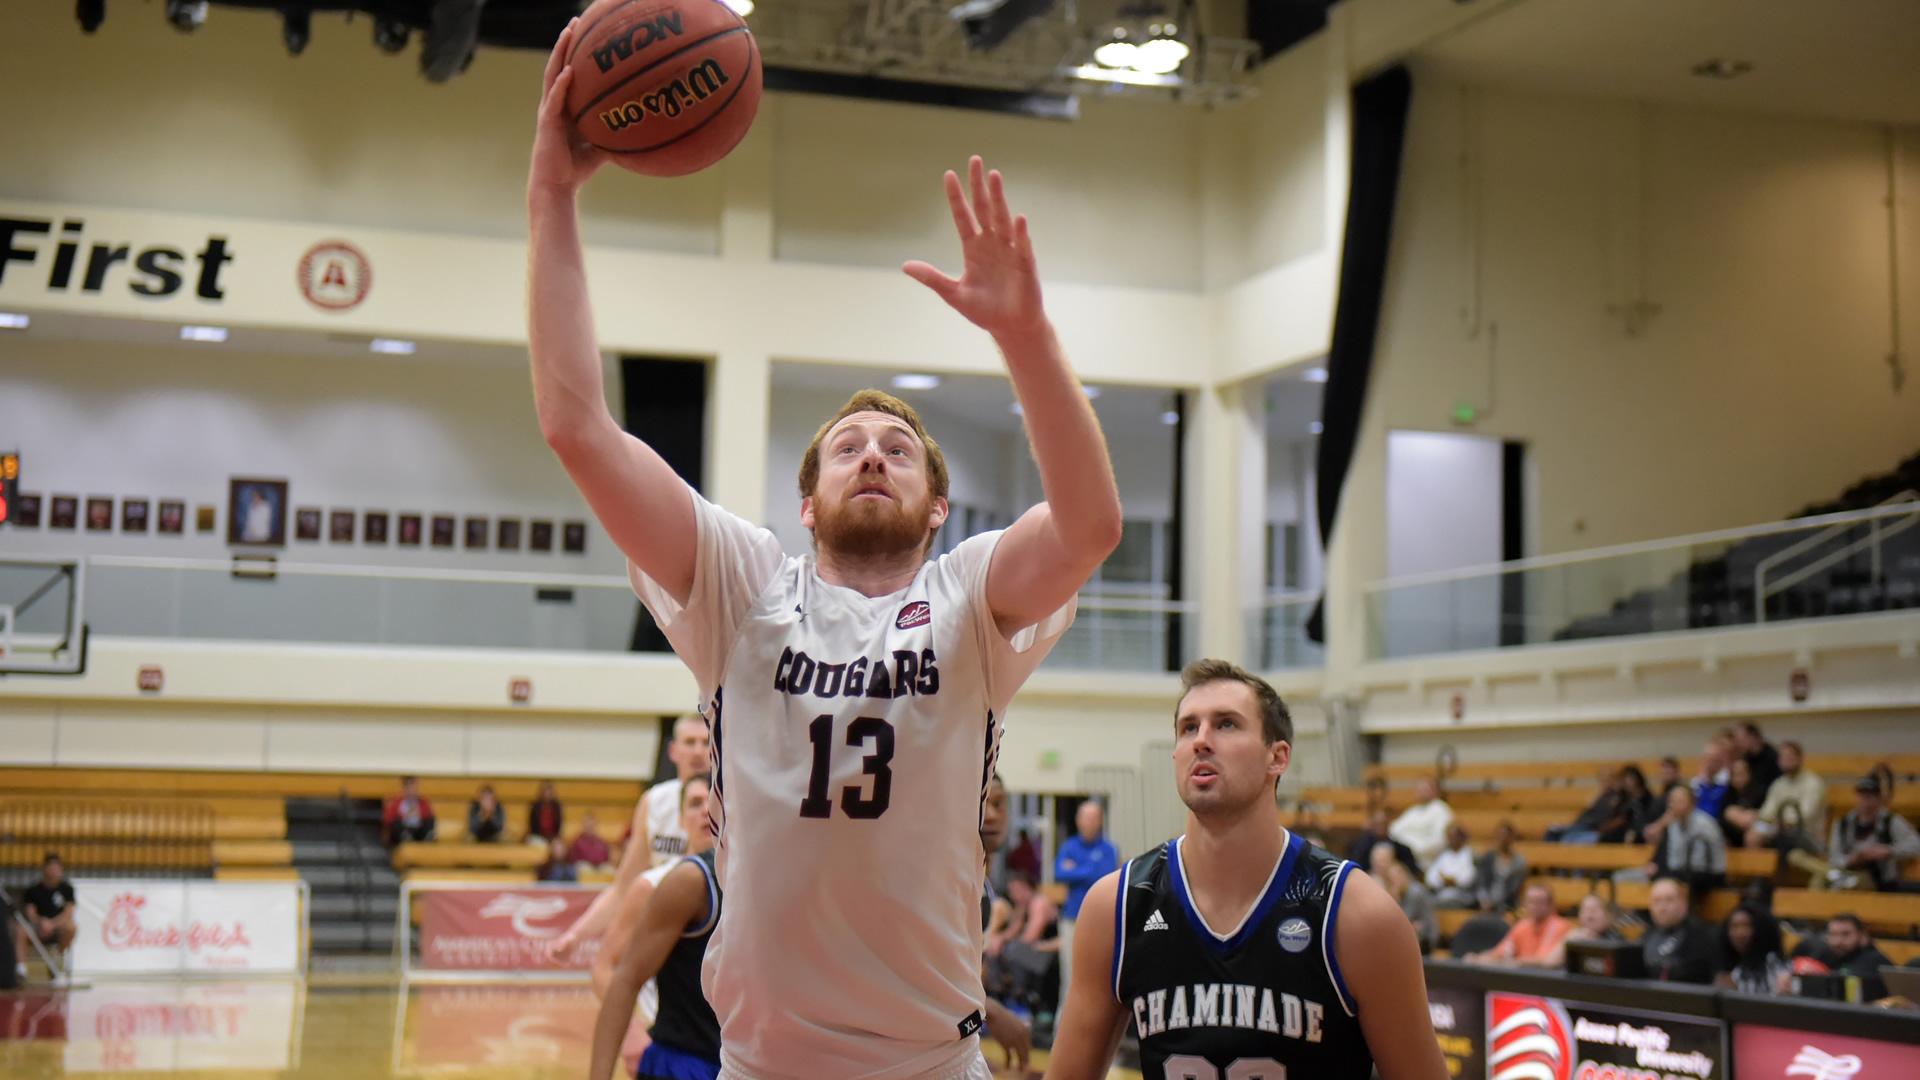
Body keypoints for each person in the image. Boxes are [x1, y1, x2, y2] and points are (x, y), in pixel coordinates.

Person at [532, 20, 1122, 1069]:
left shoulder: (970, 598)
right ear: (805, 505)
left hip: (932, 1060)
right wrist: (554, 198)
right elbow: (578, 427)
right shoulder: (741, 582)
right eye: (847, 446)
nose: (873, 456)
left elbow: (1090, 527)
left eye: (900, 448)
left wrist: (1024, 335)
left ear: (938, 506)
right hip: (761, 1060)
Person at [1043, 660, 1448, 1080]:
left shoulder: (1357, 914)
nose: (1201, 740)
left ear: (1278, 757)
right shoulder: (1119, 905)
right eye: (1188, 727)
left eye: (1226, 725)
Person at [588, 774, 721, 1080]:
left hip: (740, 1056)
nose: (704, 811)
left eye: (710, 801)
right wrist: (634, 1034)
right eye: (694, 803)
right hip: (680, 1055)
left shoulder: (754, 880)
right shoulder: (663, 884)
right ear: (679, 819)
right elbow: (612, 971)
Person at [548, 715, 711, 964]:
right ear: (673, 750)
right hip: (663, 937)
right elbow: (623, 888)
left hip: (711, 932)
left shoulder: (732, 802)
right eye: (690, 742)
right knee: (608, 973)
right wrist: (575, 936)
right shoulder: (654, 802)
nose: (698, 751)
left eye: (706, 742)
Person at [977, 774, 1033, 1075]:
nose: (993, 814)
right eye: (984, 802)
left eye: (999, 804)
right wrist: (989, 1009)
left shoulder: (985, 886)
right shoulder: (945, 878)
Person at [1791, 777, 1920, 891]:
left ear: (1879, 799)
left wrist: (1889, 851)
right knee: (1796, 857)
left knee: (1833, 880)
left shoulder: (1891, 822)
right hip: (1847, 868)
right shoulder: (1843, 824)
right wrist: (1851, 860)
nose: (1866, 800)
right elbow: (1834, 857)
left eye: (1871, 796)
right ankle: (1836, 877)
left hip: (1873, 877)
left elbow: (1915, 844)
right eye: (1863, 795)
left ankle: (1836, 877)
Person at [1053, 800, 1118, 1006]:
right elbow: (1058, 873)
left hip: (1101, 920)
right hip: (1072, 918)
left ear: (1100, 821)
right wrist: (1089, 869)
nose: (1088, 822)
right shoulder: (1069, 846)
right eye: (1084, 817)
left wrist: (1077, 869)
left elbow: (1107, 875)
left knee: (1100, 974)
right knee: (1069, 976)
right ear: (1078, 820)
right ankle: (1060, 1032)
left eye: (1093, 817)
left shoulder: (1109, 849)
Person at [1785, 914, 1892, 1000]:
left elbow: (1845, 981)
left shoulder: (1874, 959)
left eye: (1846, 934)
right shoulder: (1829, 953)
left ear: (1863, 935)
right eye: (1833, 934)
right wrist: (1790, 974)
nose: (1838, 941)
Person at [1646, 784, 1727, 896]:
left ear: (1691, 803)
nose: (1673, 805)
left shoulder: (1704, 825)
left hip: (1709, 873)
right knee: (1658, 876)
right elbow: (1674, 861)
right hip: (1686, 871)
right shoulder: (1673, 825)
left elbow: (1699, 864)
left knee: (1674, 880)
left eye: (1679, 801)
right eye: (1671, 801)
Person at [1744, 740, 1826, 852]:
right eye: (1783, 757)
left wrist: (1782, 824)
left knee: (1783, 838)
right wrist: (1754, 818)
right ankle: (1757, 869)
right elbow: (1768, 811)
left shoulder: (1813, 783)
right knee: (1753, 835)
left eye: (1790, 757)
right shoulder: (1779, 784)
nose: (1786, 761)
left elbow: (1805, 815)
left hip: (1806, 834)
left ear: (1799, 758)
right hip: (1778, 828)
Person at [1467, 883, 1570, 969]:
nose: (1535, 907)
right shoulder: (1522, 926)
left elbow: (1545, 960)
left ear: (1551, 904)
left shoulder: (1559, 926)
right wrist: (1478, 958)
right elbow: (1500, 952)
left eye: (1540, 902)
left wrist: (1516, 963)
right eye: (1531, 902)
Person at [1641, 877, 1715, 984]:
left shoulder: (1698, 938)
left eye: (1669, 900)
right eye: (1657, 901)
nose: (1662, 907)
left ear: (1683, 903)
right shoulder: (1646, 935)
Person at [12, 854, 76, 979]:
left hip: (57, 927)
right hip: (38, 927)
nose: (53, 871)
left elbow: (68, 913)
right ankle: (21, 969)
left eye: (56, 867)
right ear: (44, 869)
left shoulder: (67, 889)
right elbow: (30, 912)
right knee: (20, 930)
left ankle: (57, 957)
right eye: (50, 867)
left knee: (71, 927)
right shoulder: (33, 890)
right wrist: (42, 922)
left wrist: (52, 924)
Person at [1372, 848, 1438, 954]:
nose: (1395, 881)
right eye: (1391, 879)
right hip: (1402, 937)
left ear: (1404, 875)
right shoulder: (1392, 894)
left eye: (1397, 877)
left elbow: (1406, 919)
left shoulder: (1416, 893)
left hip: (1425, 938)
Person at [1713, 903, 1789, 995]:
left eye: (1746, 925)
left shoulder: (1774, 964)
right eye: (1734, 926)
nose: (1740, 933)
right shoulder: (1726, 968)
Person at [1388, 777, 1455, 868]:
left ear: (1435, 791)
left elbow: (1439, 841)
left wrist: (1415, 849)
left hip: (1421, 858)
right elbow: (1393, 830)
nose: (1420, 792)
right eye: (1419, 789)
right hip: (1402, 850)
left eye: (1425, 789)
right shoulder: (1414, 810)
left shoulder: (1441, 810)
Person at [1549, 767, 1623, 844]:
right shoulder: (1600, 795)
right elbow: (1589, 805)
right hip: (1581, 825)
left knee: (1566, 839)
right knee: (1552, 832)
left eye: (1609, 778)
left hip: (1591, 828)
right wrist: (1602, 791)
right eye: (1604, 779)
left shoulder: (1617, 797)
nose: (1606, 782)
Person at [1344, 806, 1418, 876]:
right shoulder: (1360, 847)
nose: (1381, 827)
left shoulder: (1402, 849)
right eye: (1378, 824)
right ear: (1372, 825)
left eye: (1384, 824)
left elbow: (1412, 869)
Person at [1474, 822, 1527, 912]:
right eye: (1501, 835)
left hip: (1508, 902)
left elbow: (1514, 887)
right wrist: (1484, 900)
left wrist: (1495, 902)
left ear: (1512, 838)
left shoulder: (1519, 862)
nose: (1503, 838)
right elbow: (1481, 882)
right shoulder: (1487, 858)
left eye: (1507, 835)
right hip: (1486, 901)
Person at [1716, 758, 1766, 848]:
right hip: (1733, 830)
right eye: (1735, 775)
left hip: (1754, 829)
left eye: (1741, 774)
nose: (1738, 779)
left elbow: (1763, 814)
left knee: (1752, 837)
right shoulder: (1728, 793)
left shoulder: (1759, 792)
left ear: (1749, 774)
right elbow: (1722, 816)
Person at [1426, 824, 1478, 909]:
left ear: (1462, 838)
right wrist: (1442, 881)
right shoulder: (1442, 855)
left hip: (1463, 894)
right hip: (1442, 892)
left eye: (1455, 837)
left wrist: (1455, 881)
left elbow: (1470, 877)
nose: (1453, 840)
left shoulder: (1471, 854)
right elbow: (1430, 877)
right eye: (1450, 837)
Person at [382, 777, 436, 847]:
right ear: (404, 789)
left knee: (430, 821)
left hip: (418, 829)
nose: (412, 791)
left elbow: (429, 816)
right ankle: (406, 838)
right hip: (404, 829)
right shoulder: (396, 803)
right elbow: (387, 819)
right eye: (409, 788)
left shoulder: (423, 803)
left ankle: (427, 839)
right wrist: (404, 816)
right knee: (397, 823)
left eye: (414, 788)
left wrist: (420, 815)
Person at [1733, 721, 1782, 795]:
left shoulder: (1772, 757)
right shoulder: (1745, 758)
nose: (1739, 744)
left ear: (1752, 736)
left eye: (1741, 739)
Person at [1690, 736, 1733, 820]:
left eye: (1714, 759)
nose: (1710, 763)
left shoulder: (1728, 783)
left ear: (1721, 761)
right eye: (1707, 759)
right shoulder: (1695, 784)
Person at [1617, 765, 1661, 843]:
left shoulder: (1649, 800)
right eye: (1625, 778)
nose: (1628, 782)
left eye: (1630, 778)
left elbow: (1649, 820)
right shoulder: (1623, 800)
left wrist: (1635, 832)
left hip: (1643, 834)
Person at [528, 779, 565, 845]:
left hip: (553, 837)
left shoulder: (557, 807)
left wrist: (553, 837)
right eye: (545, 790)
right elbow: (532, 825)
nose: (547, 793)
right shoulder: (535, 806)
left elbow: (558, 825)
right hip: (538, 836)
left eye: (549, 790)